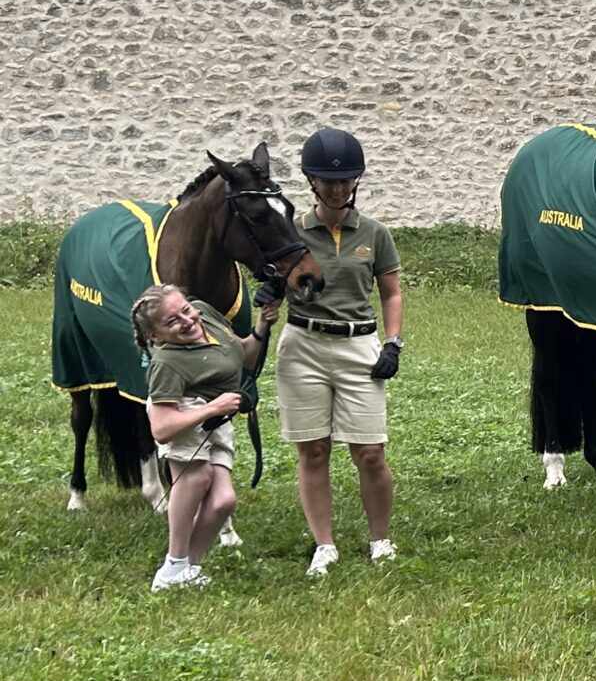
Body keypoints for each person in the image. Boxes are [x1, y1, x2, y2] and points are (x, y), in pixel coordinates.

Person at [277, 128, 403, 578]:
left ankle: (380, 537)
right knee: (313, 450)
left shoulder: (374, 233)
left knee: (370, 451)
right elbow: (273, 280)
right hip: (303, 343)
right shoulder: (291, 233)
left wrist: (393, 341)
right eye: (328, 181)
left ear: (356, 182)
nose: (337, 188)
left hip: (358, 344)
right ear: (312, 183)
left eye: (346, 180)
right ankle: (324, 543)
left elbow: (390, 292)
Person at [134, 282, 278, 592]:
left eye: (185, 310)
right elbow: (161, 428)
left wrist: (263, 324)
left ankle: (186, 569)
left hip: (217, 414)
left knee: (224, 501)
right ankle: (172, 564)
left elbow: (245, 357)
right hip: (185, 411)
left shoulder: (207, 317)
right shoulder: (167, 363)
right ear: (155, 336)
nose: (187, 321)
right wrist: (211, 407)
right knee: (196, 479)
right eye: (172, 321)